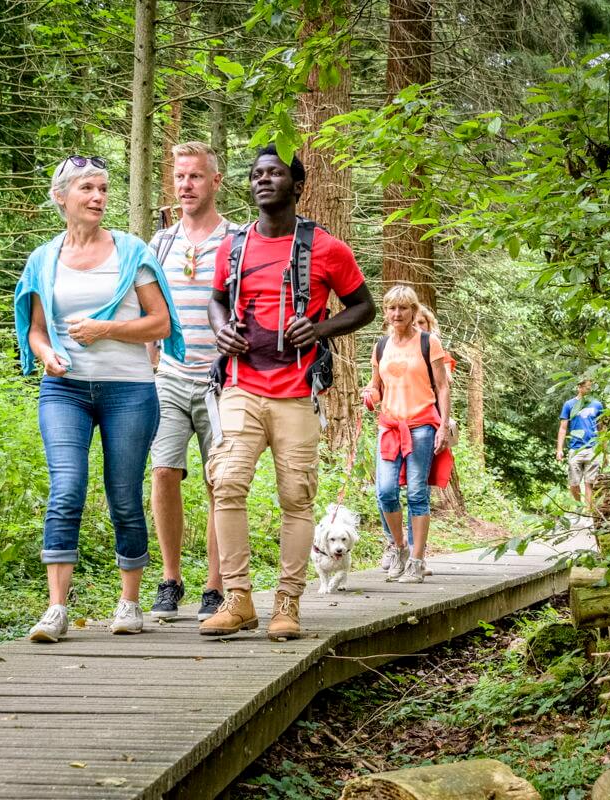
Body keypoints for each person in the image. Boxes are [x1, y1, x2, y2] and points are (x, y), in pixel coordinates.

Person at [199, 145, 376, 640]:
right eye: (256, 173)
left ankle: (287, 602)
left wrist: (320, 331)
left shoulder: (326, 248)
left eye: (274, 173)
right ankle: (238, 599)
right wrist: (220, 330)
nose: (262, 180)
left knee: (296, 497)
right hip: (239, 384)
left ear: (297, 186)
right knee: (227, 482)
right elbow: (217, 301)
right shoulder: (233, 246)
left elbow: (364, 307)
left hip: (297, 392)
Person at [13, 154, 183, 642]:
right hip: (64, 389)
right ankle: (55, 610)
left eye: (104, 189)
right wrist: (46, 355)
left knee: (124, 496)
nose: (98, 198)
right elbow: (38, 331)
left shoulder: (131, 253)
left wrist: (106, 327)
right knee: (66, 488)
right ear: (60, 197)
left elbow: (162, 324)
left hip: (129, 391)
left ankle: (129, 602)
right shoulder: (44, 259)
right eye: (87, 189)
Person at [145, 142, 238, 622]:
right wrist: (150, 365)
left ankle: (215, 586)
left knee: (219, 481)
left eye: (196, 177)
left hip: (222, 382)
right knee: (163, 471)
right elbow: (147, 308)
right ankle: (170, 580)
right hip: (170, 376)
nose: (186, 186)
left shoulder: (237, 239)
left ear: (215, 182)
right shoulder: (160, 243)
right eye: (180, 177)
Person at [362, 285, 452, 584]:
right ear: (386, 312)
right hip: (390, 426)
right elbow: (376, 385)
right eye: (392, 308)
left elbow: (442, 386)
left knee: (416, 493)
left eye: (403, 308)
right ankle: (399, 547)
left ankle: (416, 559)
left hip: (422, 425)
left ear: (414, 311)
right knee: (385, 491)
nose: (397, 313)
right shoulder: (380, 347)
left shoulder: (429, 342)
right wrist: (370, 393)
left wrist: (443, 425)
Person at [556, 378, 605, 511]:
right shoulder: (569, 404)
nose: (589, 390)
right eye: (587, 387)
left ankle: (588, 513)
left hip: (592, 449)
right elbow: (563, 428)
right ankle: (579, 507)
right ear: (580, 387)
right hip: (575, 449)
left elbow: (602, 428)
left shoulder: (597, 405)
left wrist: (605, 451)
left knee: (589, 483)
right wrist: (559, 449)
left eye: (591, 388)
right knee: (574, 483)